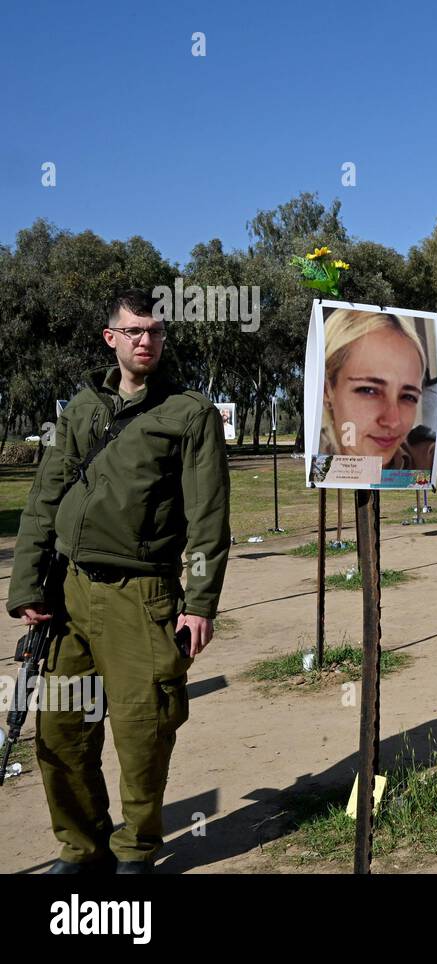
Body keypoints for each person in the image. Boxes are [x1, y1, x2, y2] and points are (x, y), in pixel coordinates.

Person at [6, 289, 232, 873]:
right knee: (61, 731)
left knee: (143, 734)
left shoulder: (190, 415)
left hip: (142, 598)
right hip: (68, 596)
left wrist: (201, 602)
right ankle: (82, 846)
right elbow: (42, 498)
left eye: (155, 331)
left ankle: (136, 849)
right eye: (134, 331)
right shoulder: (81, 409)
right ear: (112, 338)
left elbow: (209, 521)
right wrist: (29, 585)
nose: (145, 341)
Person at [320, 310, 434, 470]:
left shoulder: (424, 459)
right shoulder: (317, 460)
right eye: (369, 390)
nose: (393, 421)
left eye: (408, 397)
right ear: (327, 391)